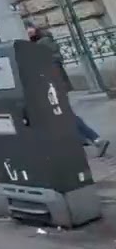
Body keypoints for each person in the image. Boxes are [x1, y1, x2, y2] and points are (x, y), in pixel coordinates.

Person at [28, 25, 111, 156]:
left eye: (28, 28)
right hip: (55, 85)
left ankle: (94, 140)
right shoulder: (45, 42)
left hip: (53, 86)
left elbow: (48, 67)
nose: (27, 32)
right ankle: (84, 140)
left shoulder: (42, 45)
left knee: (63, 114)